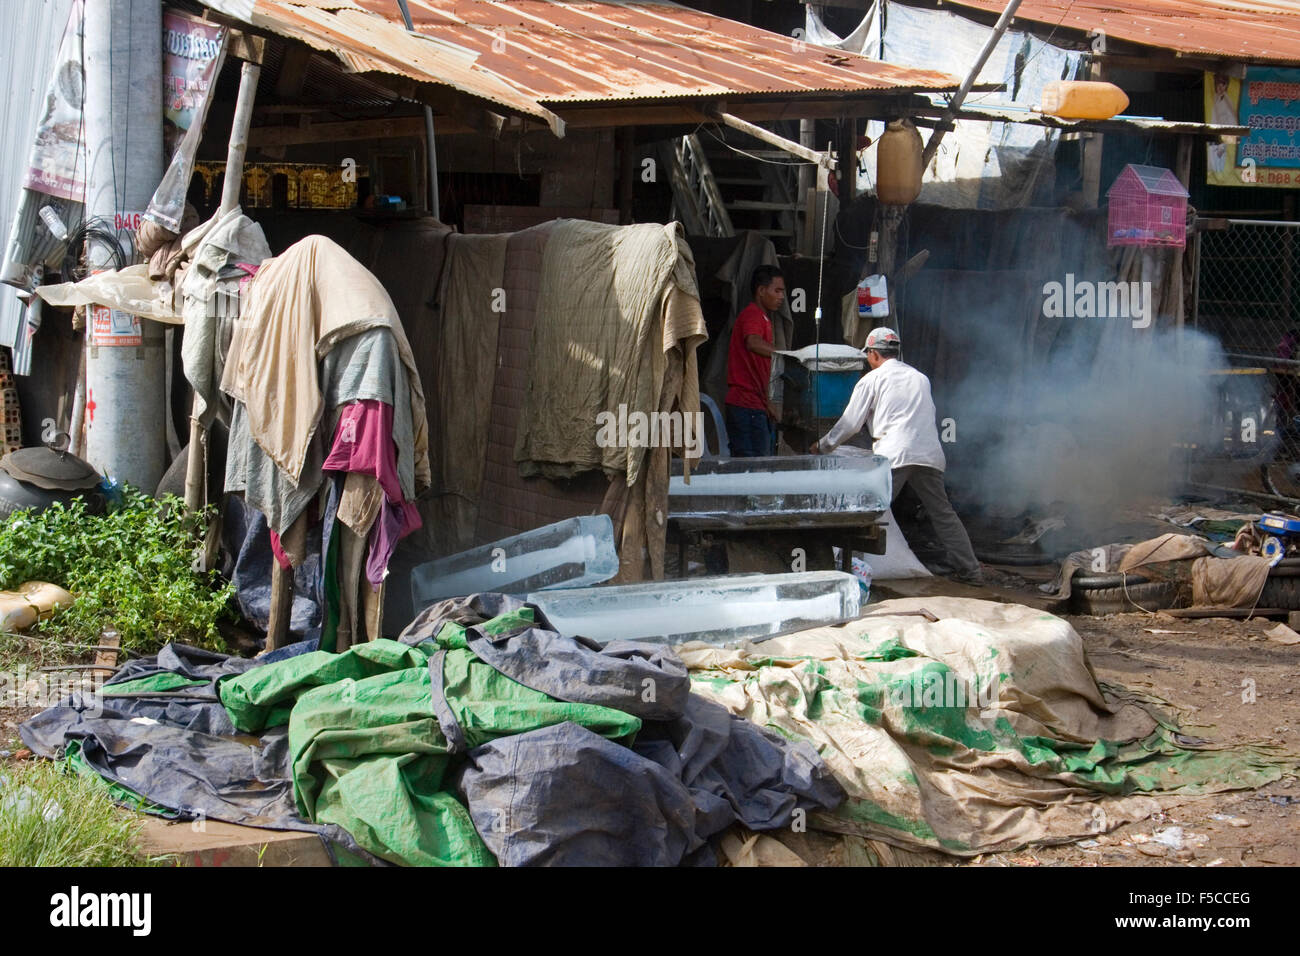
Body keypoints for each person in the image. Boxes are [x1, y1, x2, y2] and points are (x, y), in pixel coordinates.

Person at [810, 327, 984, 585]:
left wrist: (822, 446)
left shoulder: (872, 379)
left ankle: (849, 574)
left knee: (867, 511)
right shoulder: (920, 378)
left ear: (873, 354)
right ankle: (972, 573)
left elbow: (850, 424)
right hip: (929, 454)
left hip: (894, 453)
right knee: (943, 514)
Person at [725, 265, 784, 456]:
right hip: (745, 407)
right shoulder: (753, 315)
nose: (781, 297)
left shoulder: (764, 319)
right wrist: (785, 356)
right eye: (777, 291)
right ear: (761, 291)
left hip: (755, 405)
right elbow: (752, 342)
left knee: (757, 469)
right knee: (751, 471)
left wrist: (767, 403)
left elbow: (758, 372)